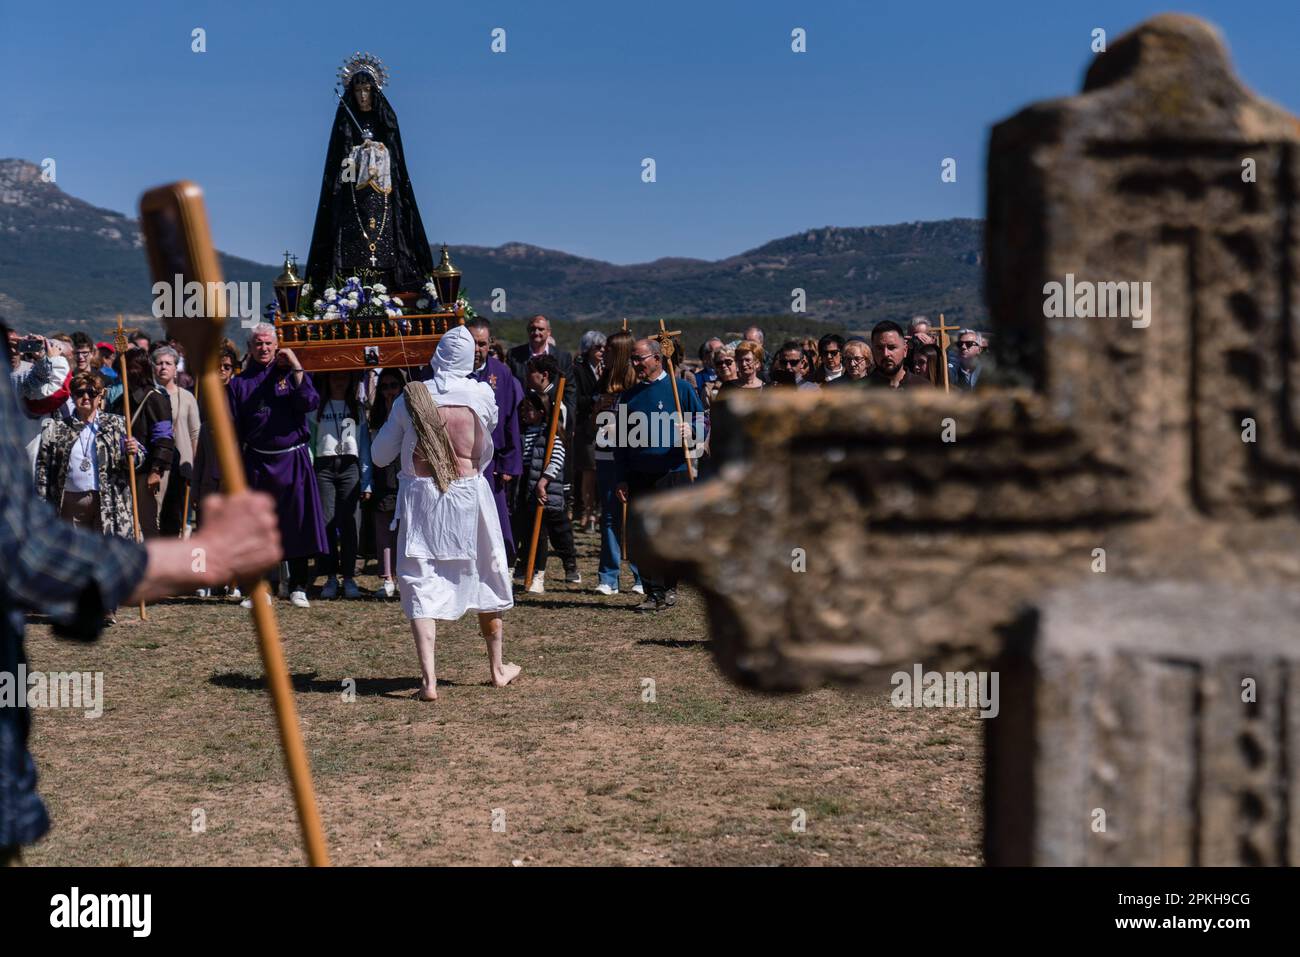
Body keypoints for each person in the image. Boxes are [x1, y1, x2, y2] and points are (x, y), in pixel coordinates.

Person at [1, 330, 282, 864]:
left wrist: (152, 460)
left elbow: (164, 440)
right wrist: (202, 558)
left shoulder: (132, 412)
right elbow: (26, 550)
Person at [370, 325, 521, 700]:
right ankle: (497, 668)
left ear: (437, 355)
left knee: (419, 580)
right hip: (470, 494)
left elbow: (379, 455)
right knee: (487, 573)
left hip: (424, 499)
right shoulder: (482, 394)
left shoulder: (411, 398)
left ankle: (429, 681)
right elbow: (489, 441)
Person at [304, 53, 434, 291]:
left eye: (367, 89)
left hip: (384, 197)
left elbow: (396, 161)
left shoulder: (386, 120)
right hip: (353, 200)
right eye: (358, 91)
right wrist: (357, 154)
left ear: (374, 91)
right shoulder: (346, 123)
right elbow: (339, 167)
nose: (363, 96)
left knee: (388, 240)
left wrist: (379, 150)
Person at [227, 324, 328, 608]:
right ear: (250, 347)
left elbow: (310, 401)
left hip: (293, 458)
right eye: (258, 344)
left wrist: (295, 364)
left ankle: (298, 586)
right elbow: (233, 429)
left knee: (297, 522)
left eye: (269, 343)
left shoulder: (289, 374)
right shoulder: (238, 383)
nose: (264, 348)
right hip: (258, 461)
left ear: (277, 345)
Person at [614, 338, 706, 612]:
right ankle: (653, 592)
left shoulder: (681, 389)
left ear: (657, 358)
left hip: (673, 472)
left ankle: (669, 587)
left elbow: (702, 420)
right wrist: (621, 477)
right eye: (632, 358)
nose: (634, 363)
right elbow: (619, 441)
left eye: (639, 358)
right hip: (640, 473)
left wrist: (692, 432)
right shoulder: (628, 396)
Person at [466, 318, 524, 564]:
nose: (477, 350)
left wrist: (510, 463)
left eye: (481, 344)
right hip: (460, 459)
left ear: (490, 344)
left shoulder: (501, 373)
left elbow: (511, 419)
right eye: (472, 343)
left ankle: (497, 567)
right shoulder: (451, 373)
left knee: (495, 519)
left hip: (493, 462)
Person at [590, 331, 643, 597]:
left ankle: (641, 573)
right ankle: (608, 576)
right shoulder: (602, 382)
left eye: (608, 350)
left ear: (620, 353)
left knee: (633, 515)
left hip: (630, 457)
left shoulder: (637, 386)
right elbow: (593, 422)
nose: (603, 354)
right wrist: (599, 410)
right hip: (605, 455)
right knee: (609, 515)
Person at [311, 371, 371, 599]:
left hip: (350, 466)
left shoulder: (357, 408)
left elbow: (364, 445)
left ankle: (348, 576)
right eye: (334, 376)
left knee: (350, 524)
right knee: (326, 521)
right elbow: (311, 440)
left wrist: (366, 481)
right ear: (326, 378)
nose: (339, 379)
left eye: (344, 376)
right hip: (324, 466)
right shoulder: (317, 406)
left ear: (351, 379)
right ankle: (330, 577)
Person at [522, 354, 579, 583]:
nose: (526, 378)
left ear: (544, 375)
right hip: (534, 469)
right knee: (538, 525)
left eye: (530, 373)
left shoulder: (558, 399)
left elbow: (561, 436)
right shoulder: (531, 397)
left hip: (554, 472)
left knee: (558, 524)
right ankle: (534, 569)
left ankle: (569, 563)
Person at [109, 347, 175, 535]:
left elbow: (164, 437)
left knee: (146, 523)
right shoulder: (121, 400)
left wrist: (156, 470)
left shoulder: (155, 398)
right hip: (123, 472)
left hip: (146, 473)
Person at [511, 392, 570, 593]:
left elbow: (557, 459)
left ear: (541, 412)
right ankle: (515, 570)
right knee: (520, 532)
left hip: (539, 486)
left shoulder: (550, 434)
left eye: (529, 409)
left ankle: (538, 576)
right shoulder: (521, 432)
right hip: (522, 487)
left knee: (541, 534)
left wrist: (543, 482)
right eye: (523, 409)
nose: (524, 413)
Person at [153, 346, 201, 537]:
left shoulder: (187, 397)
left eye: (168, 363)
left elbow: (195, 432)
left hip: (182, 466)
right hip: (157, 467)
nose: (163, 367)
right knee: (156, 515)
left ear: (175, 368)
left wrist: (194, 465)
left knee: (180, 517)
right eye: (159, 363)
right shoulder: (150, 395)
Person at [366, 367, 405, 598]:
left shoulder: (409, 413)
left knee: (405, 530)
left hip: (406, 475)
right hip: (384, 476)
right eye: (385, 387)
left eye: (394, 386)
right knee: (384, 530)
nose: (389, 391)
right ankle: (387, 579)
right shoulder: (378, 416)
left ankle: (403, 577)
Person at [507, 315, 576, 423]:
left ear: (549, 332)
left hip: (553, 420)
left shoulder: (563, 357)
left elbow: (570, 392)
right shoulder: (514, 355)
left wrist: (570, 423)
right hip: (522, 420)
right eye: (532, 329)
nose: (536, 332)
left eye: (541, 329)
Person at [573, 330, 605, 533]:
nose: (602, 351)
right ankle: (588, 512)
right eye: (597, 347)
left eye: (604, 347)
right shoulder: (578, 370)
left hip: (606, 426)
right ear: (588, 349)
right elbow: (576, 399)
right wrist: (596, 400)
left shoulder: (605, 369)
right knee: (589, 470)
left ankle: (600, 510)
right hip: (586, 426)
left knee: (602, 470)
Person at [866, 320, 933, 390]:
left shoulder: (924, 388)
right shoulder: (858, 391)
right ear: (873, 352)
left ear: (905, 350)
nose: (885, 354)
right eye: (879, 348)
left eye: (891, 348)